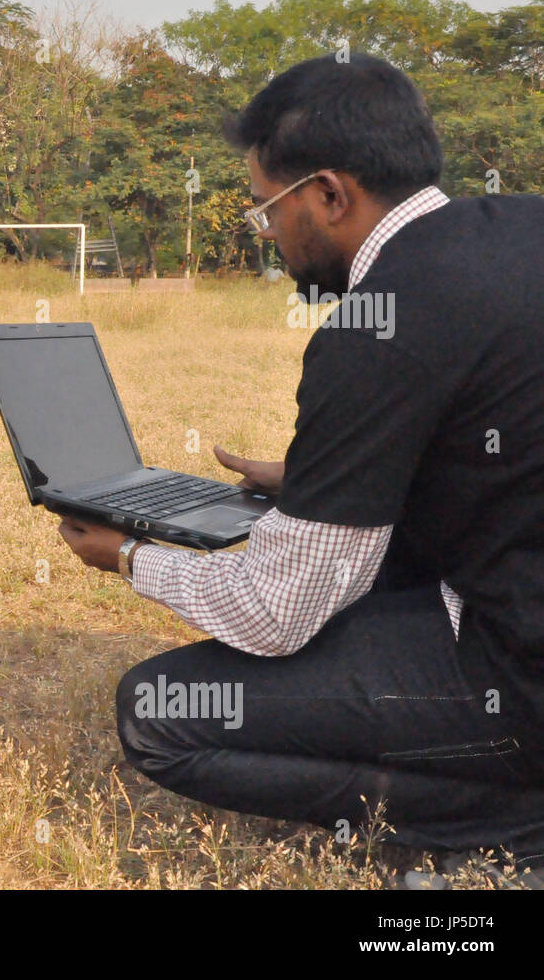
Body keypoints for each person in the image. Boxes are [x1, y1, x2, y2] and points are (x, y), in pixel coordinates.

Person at [57, 53, 544, 888]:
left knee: (159, 714)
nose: (269, 236)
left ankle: (510, 826)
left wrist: (132, 558)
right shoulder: (521, 227)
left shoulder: (374, 326)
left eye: (264, 212)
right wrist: (320, 476)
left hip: (519, 668)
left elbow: (276, 613)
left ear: (329, 193)